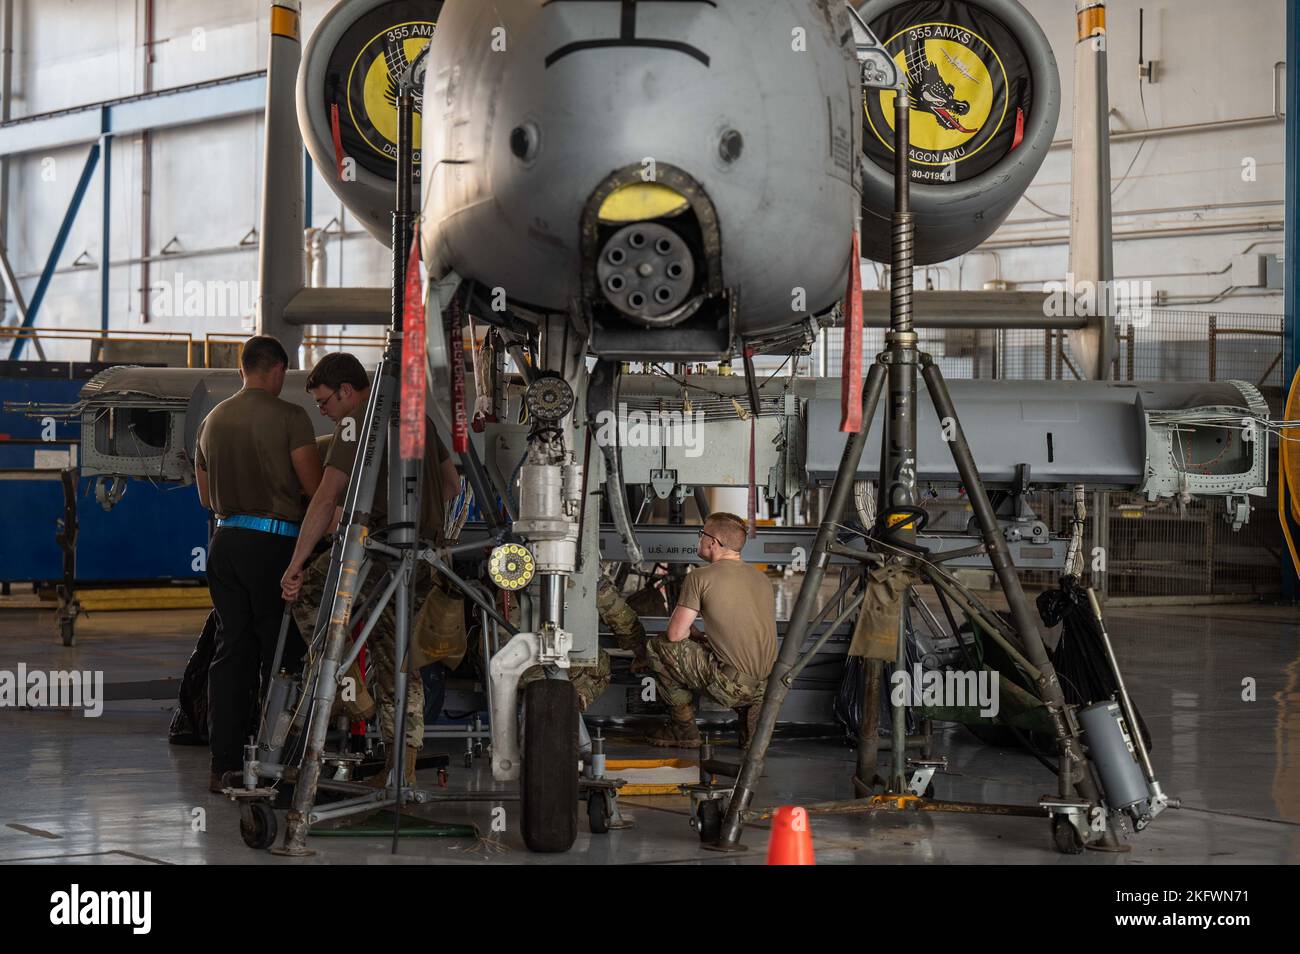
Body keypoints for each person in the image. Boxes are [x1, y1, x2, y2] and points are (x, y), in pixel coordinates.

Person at [280, 352, 460, 787]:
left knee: (305, 594)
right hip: (428, 557)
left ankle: (348, 686)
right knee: (399, 659)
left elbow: (326, 497)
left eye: (324, 402)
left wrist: (296, 563)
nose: (323, 412)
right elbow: (452, 485)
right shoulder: (420, 420)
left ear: (347, 390)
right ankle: (403, 770)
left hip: (381, 552)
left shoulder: (357, 422)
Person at [195, 335, 322, 792]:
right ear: (279, 370)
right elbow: (316, 489)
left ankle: (224, 764)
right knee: (282, 653)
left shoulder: (211, 420)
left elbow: (205, 497)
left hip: (225, 541)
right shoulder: (291, 416)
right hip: (274, 544)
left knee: (231, 652)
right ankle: (277, 762)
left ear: (242, 369)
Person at [642, 512, 777, 749]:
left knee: (658, 646)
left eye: (701, 534)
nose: (699, 539)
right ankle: (751, 729)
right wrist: (700, 636)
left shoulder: (699, 577)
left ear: (713, 542)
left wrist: (688, 634)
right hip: (766, 687)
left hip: (731, 686)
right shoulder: (762, 579)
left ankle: (684, 730)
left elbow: (675, 635)